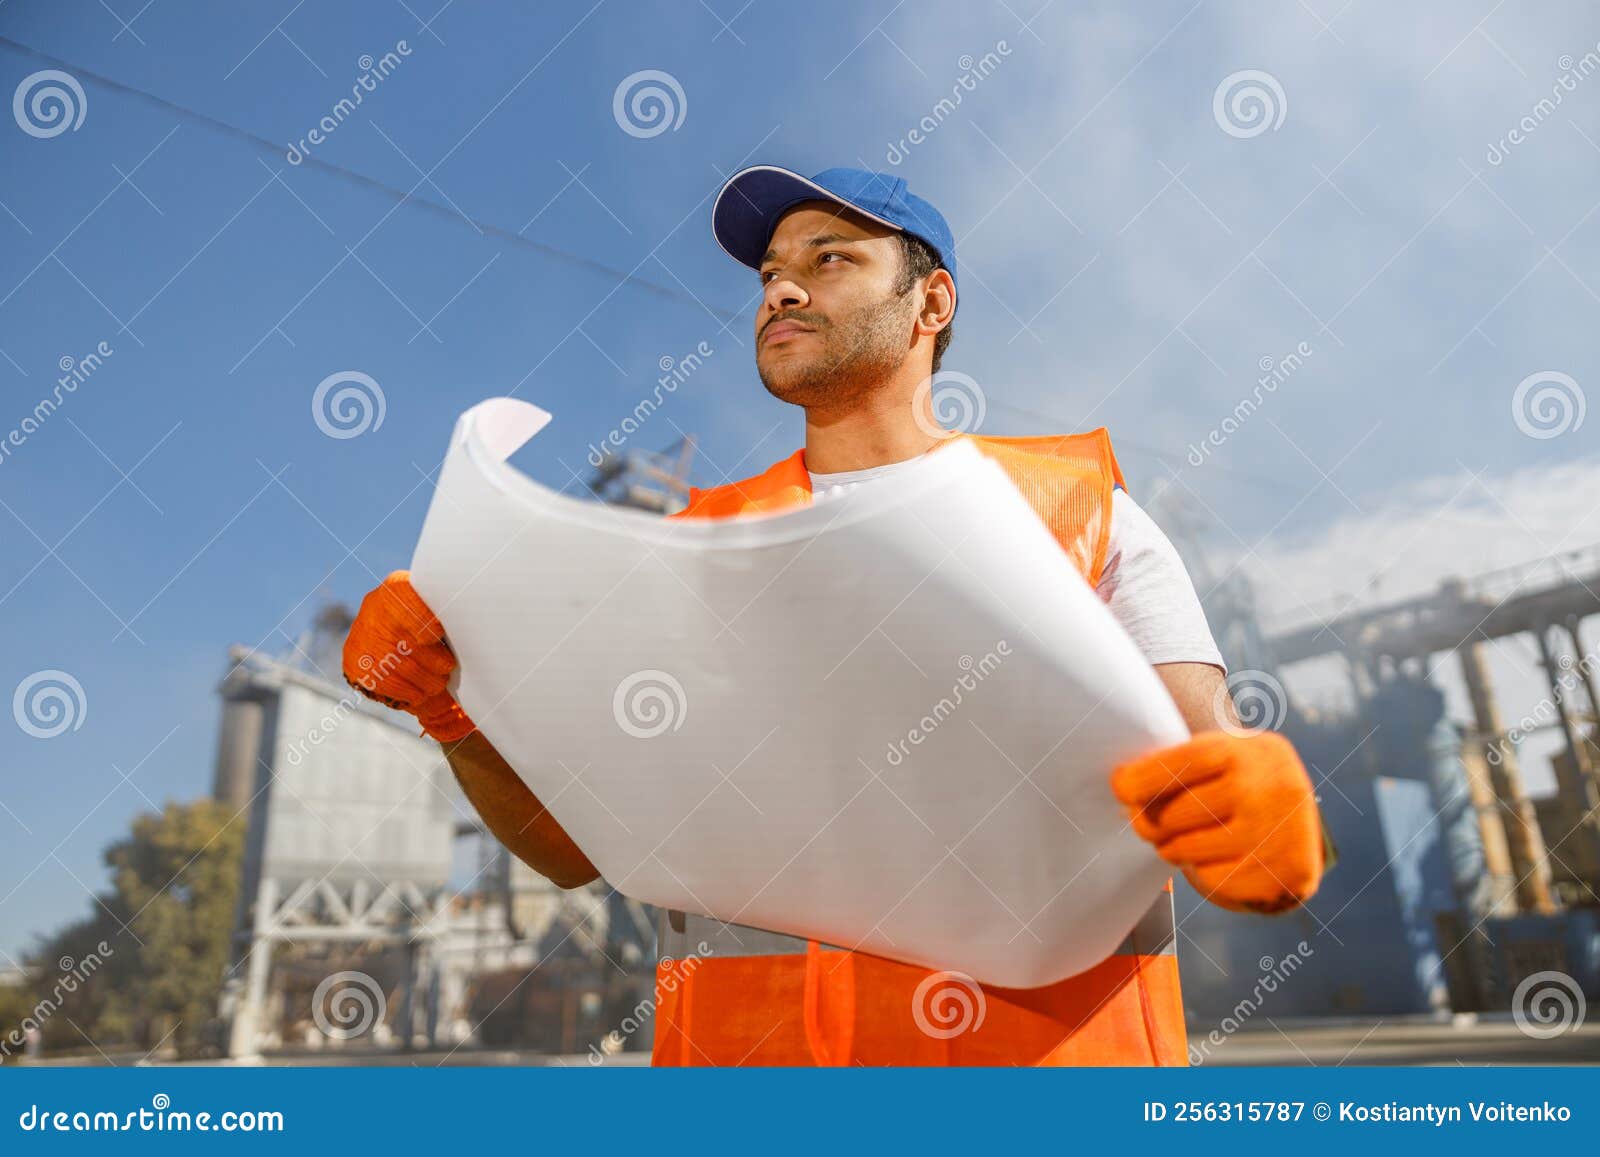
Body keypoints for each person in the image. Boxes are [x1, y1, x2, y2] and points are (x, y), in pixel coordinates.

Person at [343, 165, 1329, 1066]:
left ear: (929, 301)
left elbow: (1211, 767)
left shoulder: (1083, 515)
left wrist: (1253, 804)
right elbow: (572, 849)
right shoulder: (690, 544)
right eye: (771, 271)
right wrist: (452, 708)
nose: (780, 287)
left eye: (830, 259)